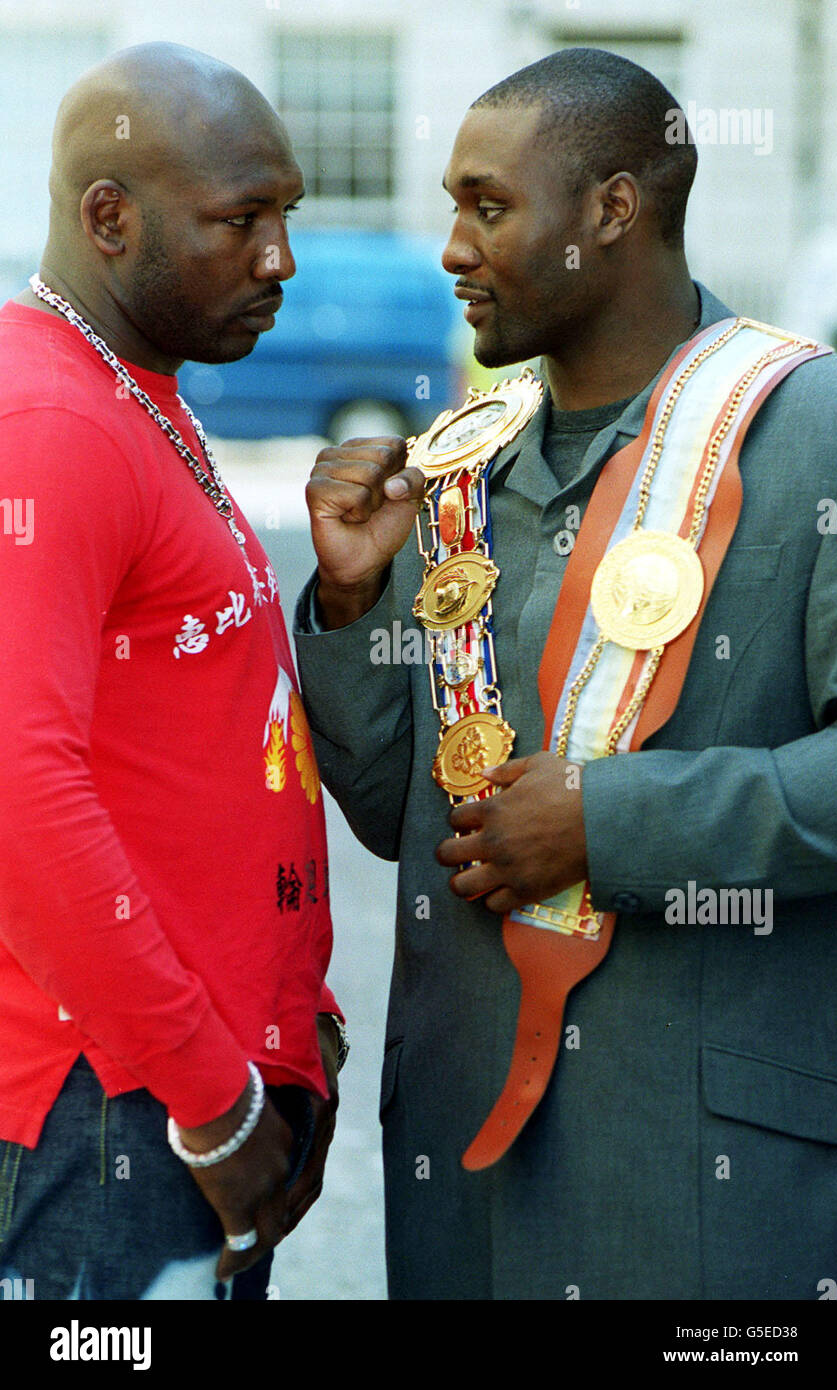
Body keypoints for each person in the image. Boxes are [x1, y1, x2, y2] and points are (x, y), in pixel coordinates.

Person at [294, 47, 837, 1299]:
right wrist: (345, 600)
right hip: (465, 1167)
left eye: (487, 207)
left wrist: (612, 822)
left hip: (701, 1180)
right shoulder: (459, 476)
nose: (450, 246)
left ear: (610, 211)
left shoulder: (815, 427)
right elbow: (403, 819)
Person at [0, 42, 346, 1302]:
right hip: (114, 1109)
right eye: (240, 221)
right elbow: (18, 797)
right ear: (110, 217)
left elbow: (201, 745)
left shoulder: (137, 390)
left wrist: (297, 1023)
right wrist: (209, 1103)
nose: (281, 260)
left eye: (287, 215)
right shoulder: (47, 422)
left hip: (176, 1095)